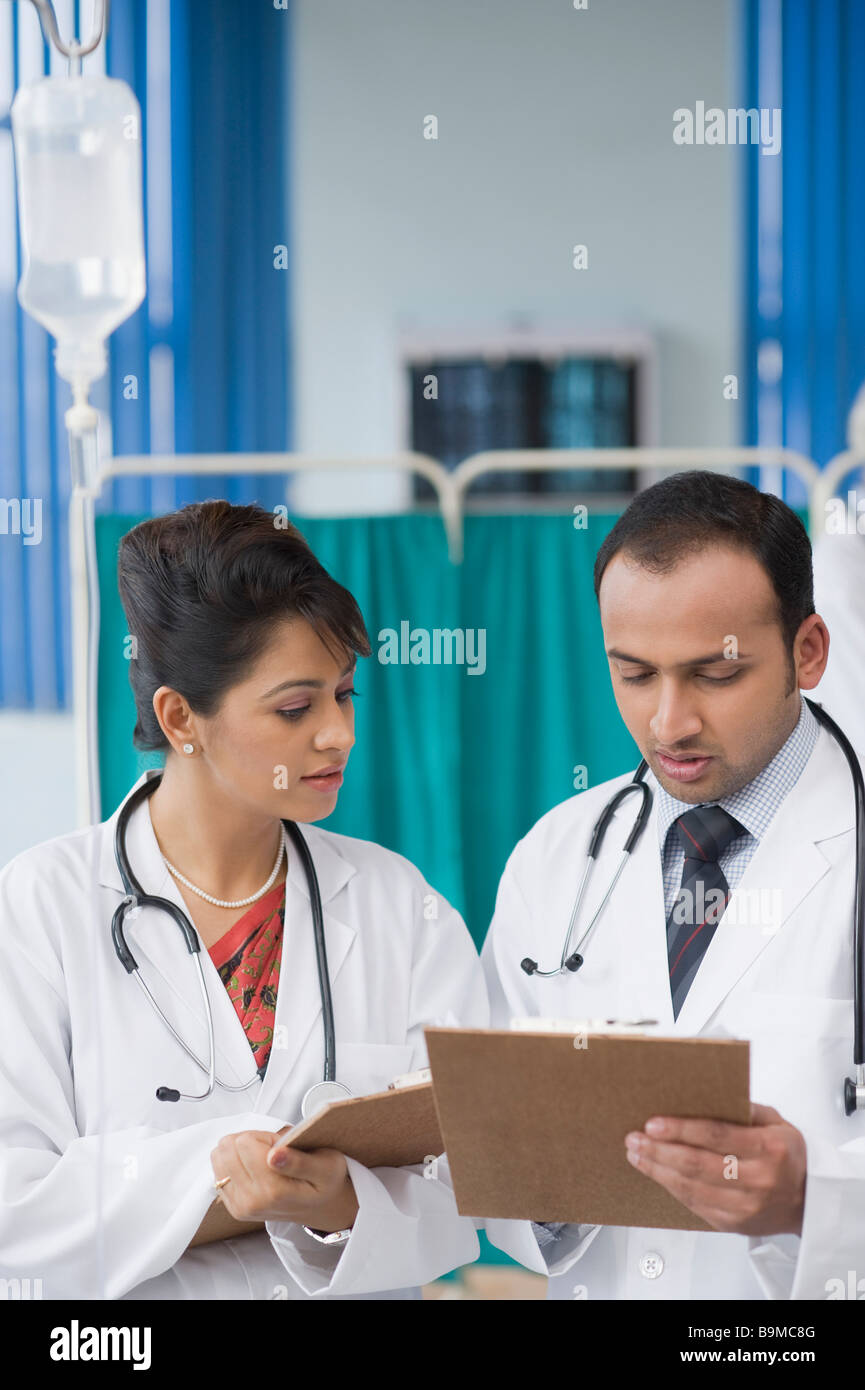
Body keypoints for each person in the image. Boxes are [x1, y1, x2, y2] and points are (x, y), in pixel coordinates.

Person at [0, 500, 491, 1300]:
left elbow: (475, 1182)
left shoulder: (399, 907)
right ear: (179, 717)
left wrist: (336, 1208)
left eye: (345, 694)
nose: (338, 734)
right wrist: (227, 1168)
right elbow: (15, 1215)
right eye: (295, 708)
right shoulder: (41, 907)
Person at [482, 470, 865, 1300]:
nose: (668, 723)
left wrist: (815, 1202)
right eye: (633, 673)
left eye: (713, 675)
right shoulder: (556, 859)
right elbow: (489, 1154)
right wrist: (535, 1196)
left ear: (808, 651)